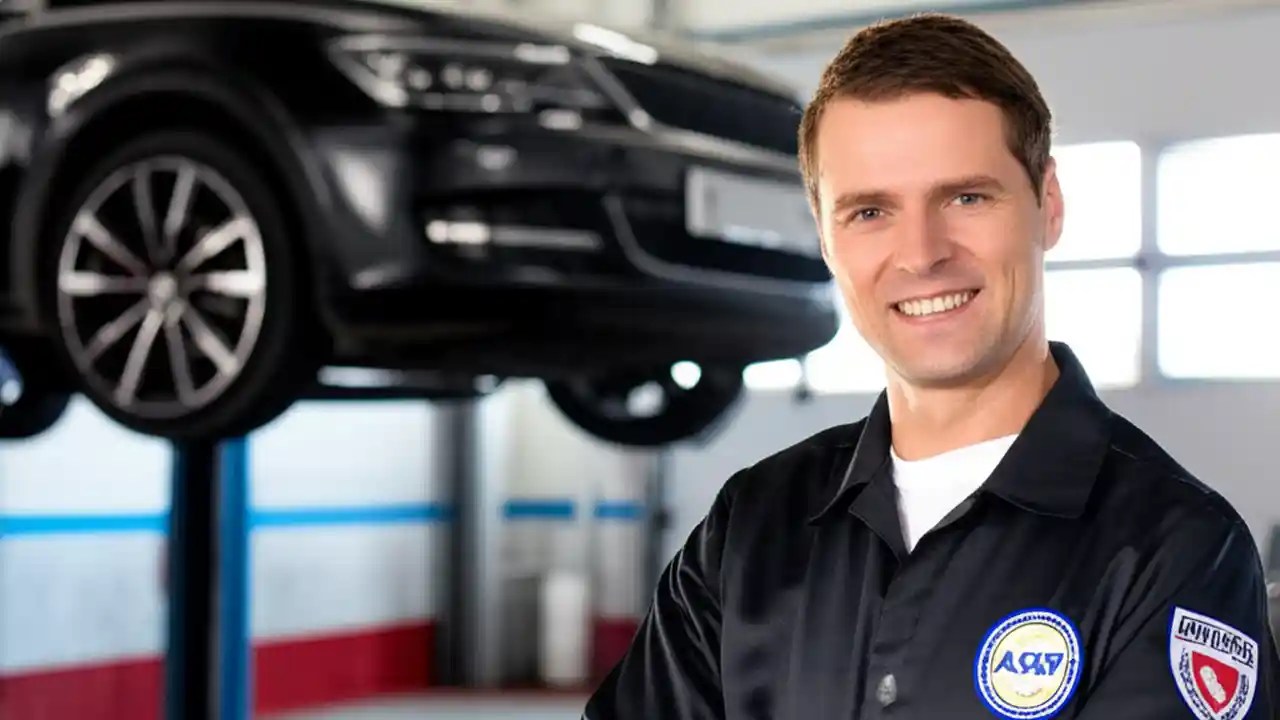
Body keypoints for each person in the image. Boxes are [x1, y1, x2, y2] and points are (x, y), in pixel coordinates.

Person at [582, 12, 1279, 720]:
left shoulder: (1174, 547)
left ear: (1049, 204)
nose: (922, 252)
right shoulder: (749, 530)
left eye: (965, 197)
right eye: (869, 212)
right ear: (824, 235)